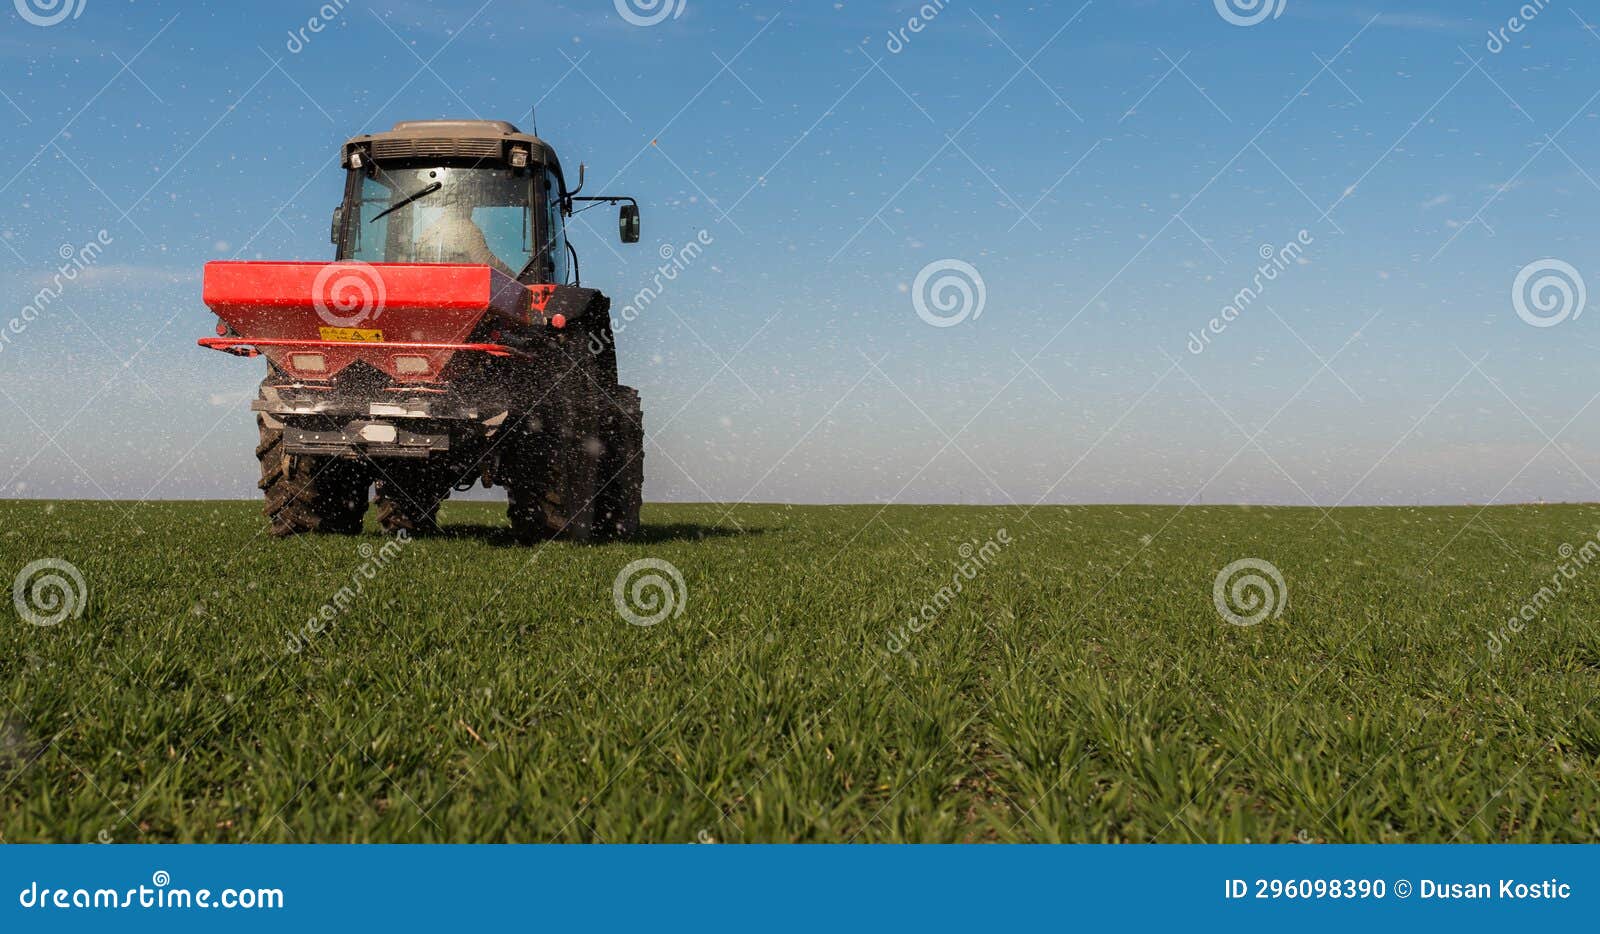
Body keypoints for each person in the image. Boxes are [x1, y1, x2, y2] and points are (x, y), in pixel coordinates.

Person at [415, 199, 516, 276]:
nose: (472, 208)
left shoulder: (430, 230)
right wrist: (515, 278)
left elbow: (419, 258)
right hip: (457, 286)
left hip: (429, 286)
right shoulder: (466, 228)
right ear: (462, 205)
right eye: (470, 204)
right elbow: (484, 260)